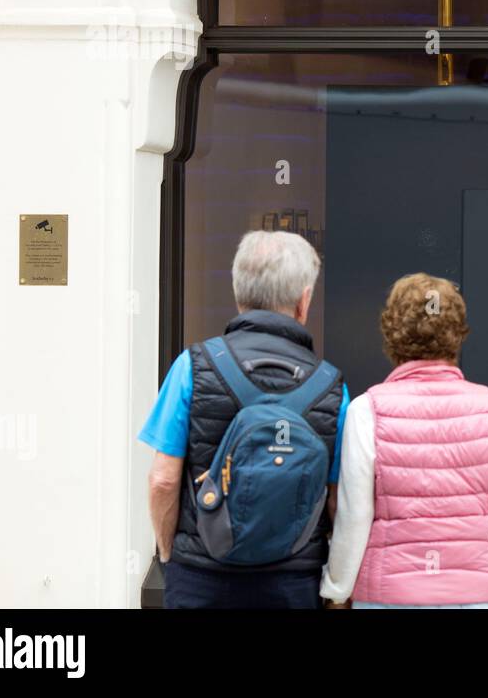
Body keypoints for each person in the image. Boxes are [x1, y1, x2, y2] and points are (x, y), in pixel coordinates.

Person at [139, 230, 348, 608]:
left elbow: (163, 480)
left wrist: (171, 556)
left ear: (238, 296)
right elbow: (337, 501)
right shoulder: (331, 387)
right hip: (292, 583)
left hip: (202, 579)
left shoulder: (193, 367)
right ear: (303, 302)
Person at [320, 273, 488, 608]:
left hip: (388, 596)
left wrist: (338, 589)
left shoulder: (367, 410)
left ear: (392, 332)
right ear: (457, 333)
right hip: (470, 595)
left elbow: (354, 515)